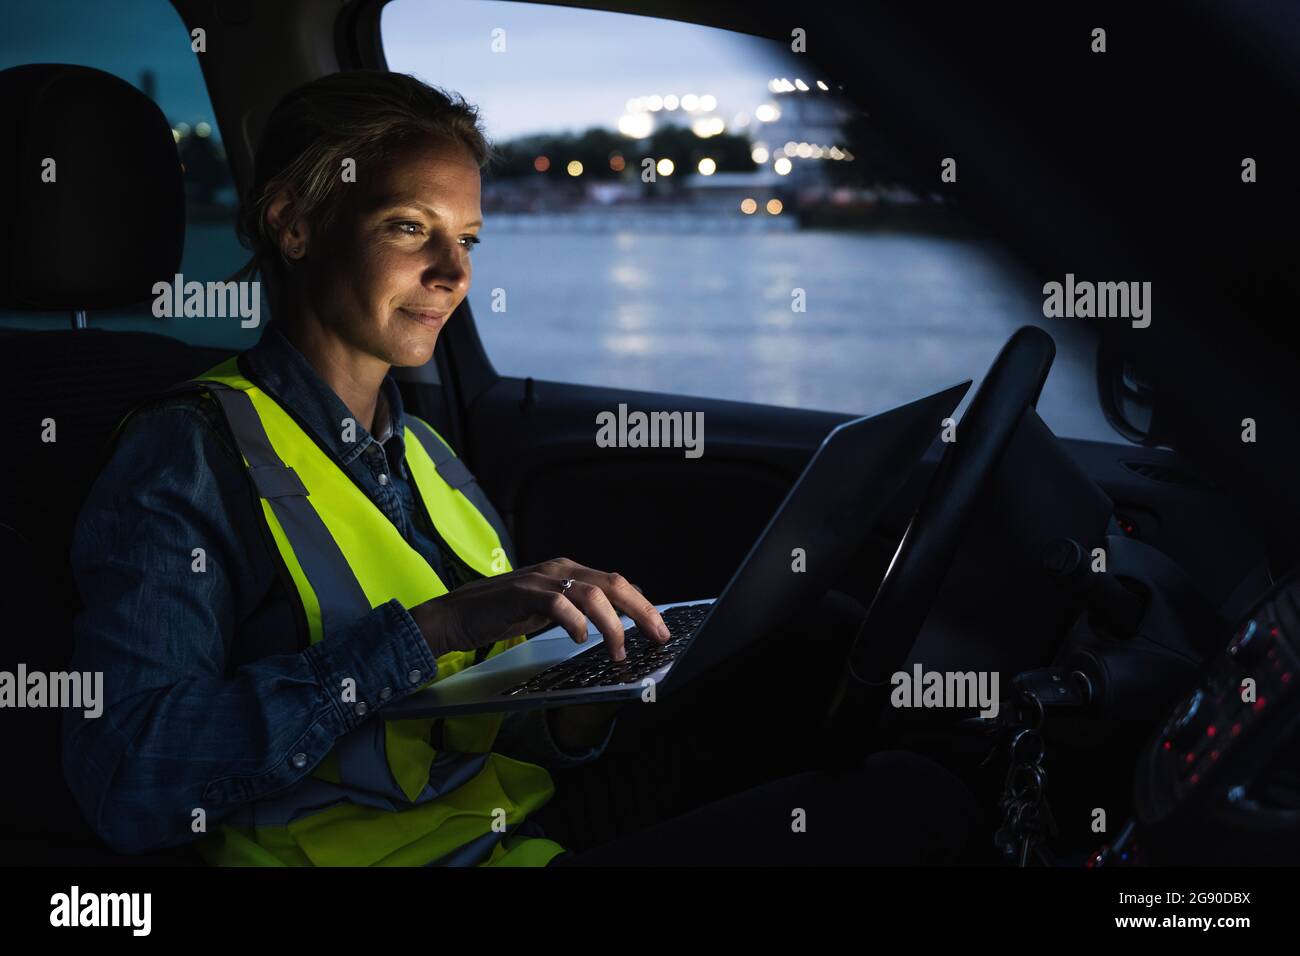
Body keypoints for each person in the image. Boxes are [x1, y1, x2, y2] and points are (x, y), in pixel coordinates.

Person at [63, 69, 980, 866]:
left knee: (821, 645)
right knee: (912, 803)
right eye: (409, 227)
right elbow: (131, 779)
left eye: (466, 240)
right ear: (294, 224)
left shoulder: (424, 451)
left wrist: (583, 699)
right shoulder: (185, 453)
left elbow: (474, 726)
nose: (451, 273)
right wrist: (433, 627)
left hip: (512, 830)